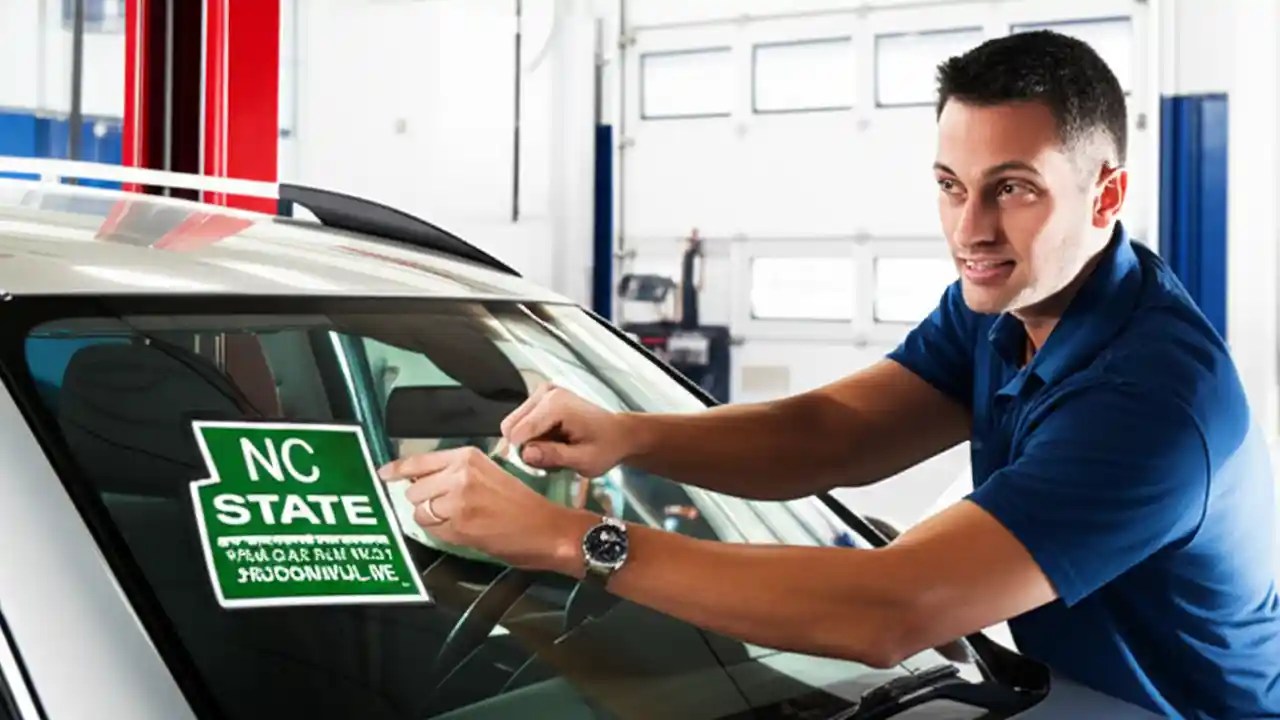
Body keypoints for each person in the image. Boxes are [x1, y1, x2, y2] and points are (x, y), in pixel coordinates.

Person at [378, 30, 1280, 719]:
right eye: (949, 184)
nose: (970, 230)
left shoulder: (1147, 400)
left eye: (1012, 188)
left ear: (1107, 193)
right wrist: (632, 435)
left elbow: (888, 611)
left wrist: (567, 542)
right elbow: (833, 432)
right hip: (1067, 691)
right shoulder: (1009, 309)